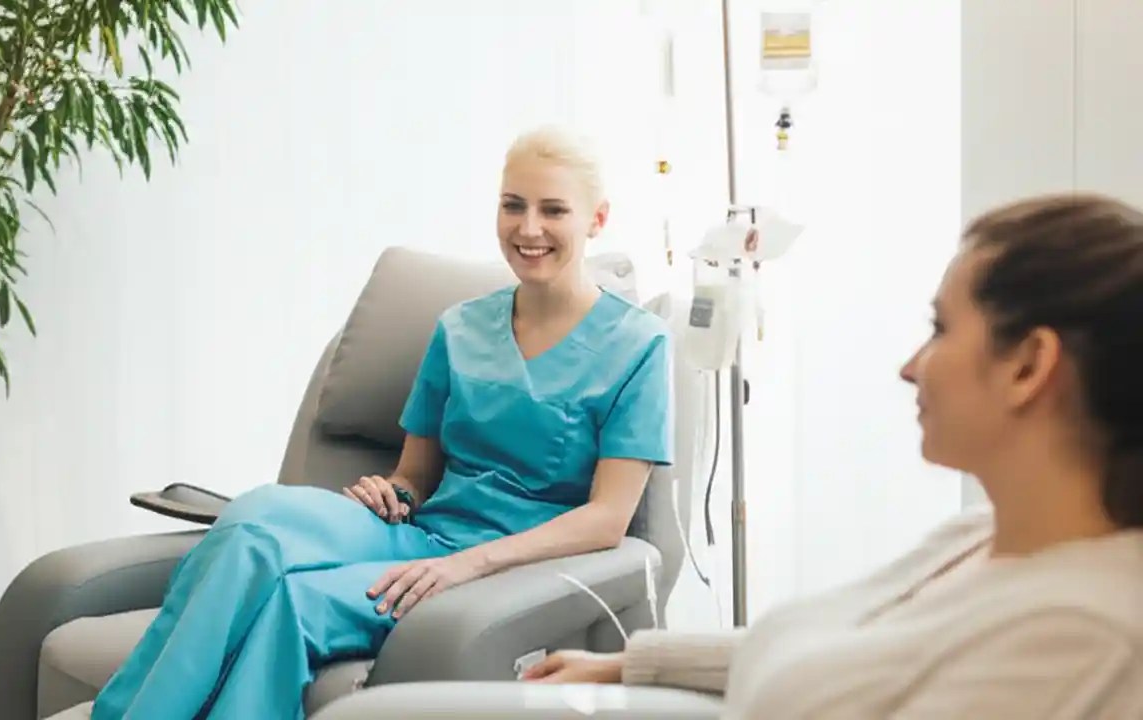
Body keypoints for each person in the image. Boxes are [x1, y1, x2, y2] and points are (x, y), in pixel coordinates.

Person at [85, 126, 675, 719]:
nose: (528, 229)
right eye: (512, 205)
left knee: (296, 600)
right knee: (253, 521)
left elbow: (607, 519)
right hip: (419, 533)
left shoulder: (637, 345)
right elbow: (415, 474)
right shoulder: (461, 328)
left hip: (509, 567)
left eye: (553, 211)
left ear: (596, 220)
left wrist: (462, 566)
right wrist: (393, 491)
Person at [524, 193, 1143, 717]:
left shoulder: (1084, 640)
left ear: (1029, 365)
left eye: (942, 329)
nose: (910, 368)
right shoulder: (977, 538)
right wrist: (630, 662)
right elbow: (845, 651)